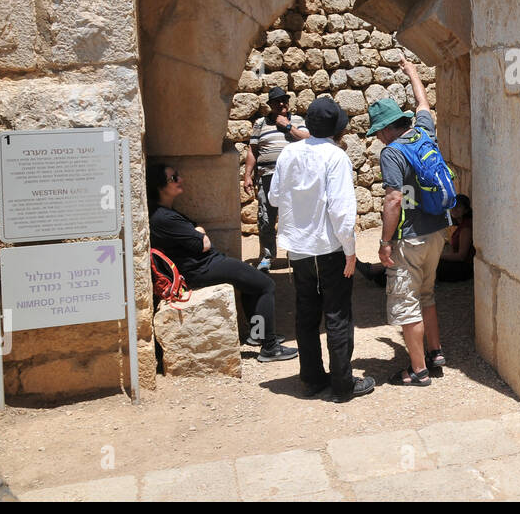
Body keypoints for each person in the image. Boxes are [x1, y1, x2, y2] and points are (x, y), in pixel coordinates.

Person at [268, 97, 376, 402]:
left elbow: (275, 197)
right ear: (337, 128)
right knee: (338, 315)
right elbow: (342, 212)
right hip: (330, 248)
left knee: (306, 314)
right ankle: (343, 385)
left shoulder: (288, 153)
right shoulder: (335, 157)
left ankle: (312, 379)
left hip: (299, 249)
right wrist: (351, 251)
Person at [147, 163, 297, 363]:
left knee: (252, 283)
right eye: (174, 178)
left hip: (205, 263)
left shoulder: (165, 213)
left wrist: (197, 231)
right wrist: (199, 232)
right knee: (265, 284)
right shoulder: (164, 218)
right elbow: (204, 243)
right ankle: (269, 346)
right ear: (160, 186)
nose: (180, 179)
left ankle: (258, 334)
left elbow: (197, 232)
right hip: (201, 268)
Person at [368, 57, 451, 387]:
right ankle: (436, 351)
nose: (378, 140)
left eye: (378, 133)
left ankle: (417, 370)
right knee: (427, 293)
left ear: (388, 128)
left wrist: (385, 242)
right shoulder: (423, 132)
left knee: (406, 301)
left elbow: (394, 199)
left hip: (410, 238)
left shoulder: (392, 153)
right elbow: (423, 103)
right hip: (437, 230)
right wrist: (413, 71)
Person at [243, 86, 308, 272]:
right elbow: (252, 151)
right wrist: (247, 175)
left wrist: (287, 126)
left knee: (295, 217)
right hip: (267, 177)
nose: (281, 104)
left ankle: (295, 255)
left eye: (284, 100)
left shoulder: (297, 120)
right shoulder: (260, 124)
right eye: (277, 101)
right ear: (270, 105)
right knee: (265, 218)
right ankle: (266, 256)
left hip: (293, 179)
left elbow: (307, 139)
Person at [436, 195, 474, 283]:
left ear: (466, 210)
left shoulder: (466, 228)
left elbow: (461, 256)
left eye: (458, 206)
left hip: (465, 269)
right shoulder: (461, 225)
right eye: (452, 206)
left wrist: (439, 256)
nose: (454, 208)